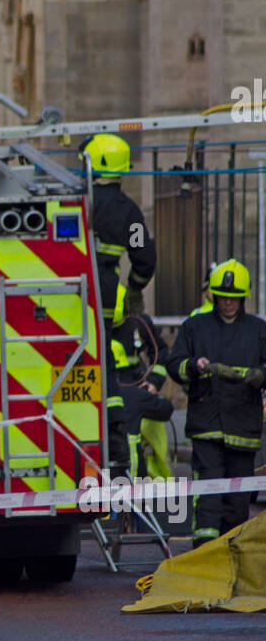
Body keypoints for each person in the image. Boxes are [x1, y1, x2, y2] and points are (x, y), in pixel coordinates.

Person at [167, 259, 266, 548]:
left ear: (243, 298)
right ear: (213, 295)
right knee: (208, 495)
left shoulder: (258, 330)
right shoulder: (195, 327)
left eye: (233, 298)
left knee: (237, 502)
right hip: (207, 425)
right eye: (222, 297)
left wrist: (260, 375)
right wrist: (193, 366)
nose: (227, 304)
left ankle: (232, 557)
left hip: (242, 428)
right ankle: (205, 555)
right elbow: (174, 364)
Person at [80, 133, 157, 473]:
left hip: (70, 292)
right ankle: (113, 441)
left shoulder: (77, 199)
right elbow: (144, 257)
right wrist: (136, 288)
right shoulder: (129, 210)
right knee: (105, 363)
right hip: (108, 294)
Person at [110, 338, 174, 480]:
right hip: (130, 477)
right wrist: (148, 394)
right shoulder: (134, 394)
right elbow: (166, 409)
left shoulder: (92, 398)